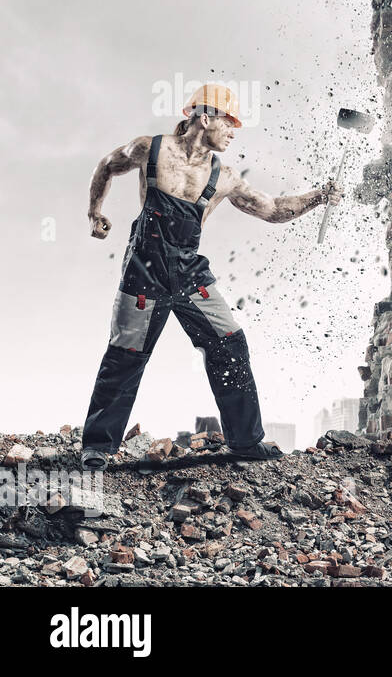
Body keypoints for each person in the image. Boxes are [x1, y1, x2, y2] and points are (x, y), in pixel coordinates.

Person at [80, 84, 342, 469]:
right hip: (143, 270)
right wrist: (94, 211)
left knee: (230, 345)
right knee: (124, 356)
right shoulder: (149, 149)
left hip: (189, 274)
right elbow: (107, 164)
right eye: (230, 123)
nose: (234, 133)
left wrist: (318, 196)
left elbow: (272, 209)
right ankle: (97, 449)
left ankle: (245, 442)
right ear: (206, 118)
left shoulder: (226, 177)